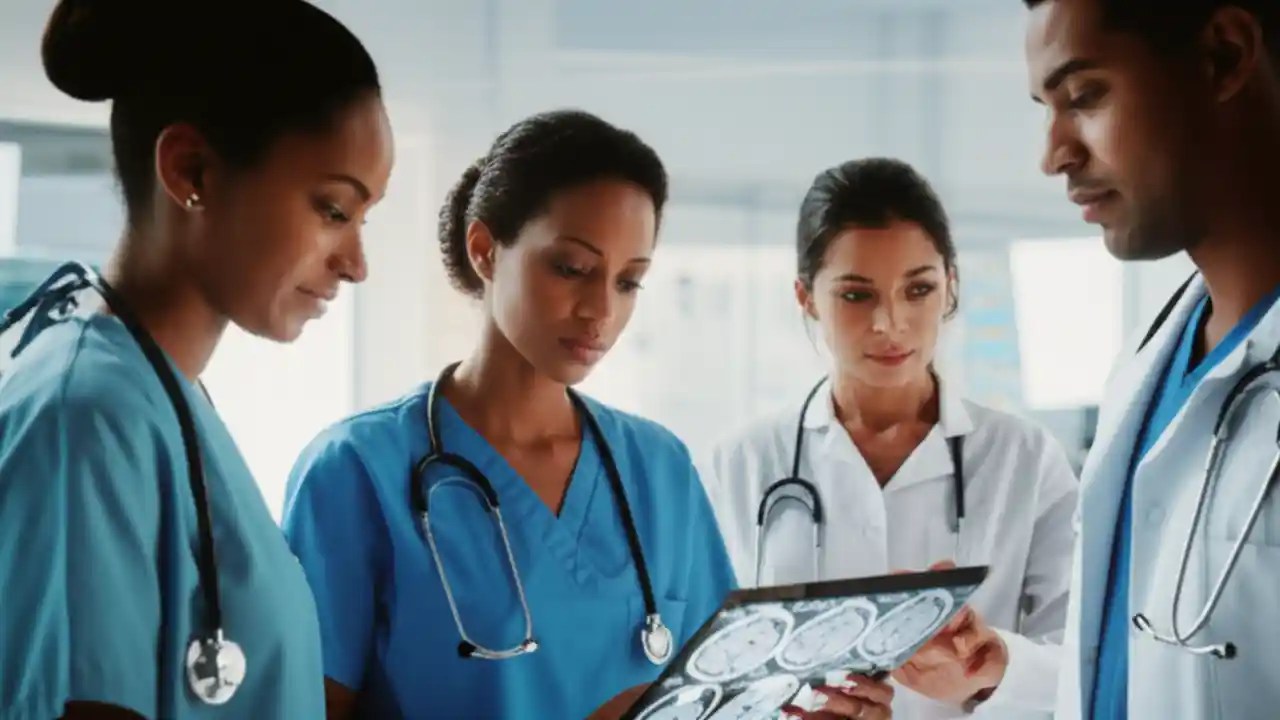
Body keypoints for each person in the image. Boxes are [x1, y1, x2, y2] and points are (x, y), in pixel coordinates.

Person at [280, 109, 894, 720]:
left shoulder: (658, 468)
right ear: (485, 250)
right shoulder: (358, 470)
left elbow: (720, 703)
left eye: (628, 282)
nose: (600, 311)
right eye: (572, 269)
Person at [0, 2, 393, 718]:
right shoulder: (85, 418)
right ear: (193, 172)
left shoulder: (160, 398)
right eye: (334, 210)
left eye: (365, 220)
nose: (357, 263)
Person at [701, 158, 1078, 720]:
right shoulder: (741, 464)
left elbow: (1086, 665)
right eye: (856, 295)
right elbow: (702, 676)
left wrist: (994, 668)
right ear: (806, 297)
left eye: (918, 289)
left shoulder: (1025, 459)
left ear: (951, 286)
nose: (889, 322)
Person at [1023, 1, 1280, 717]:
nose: (1054, 155)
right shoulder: (1142, 372)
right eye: (1047, 110)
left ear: (1223, 57)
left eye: (1084, 96)